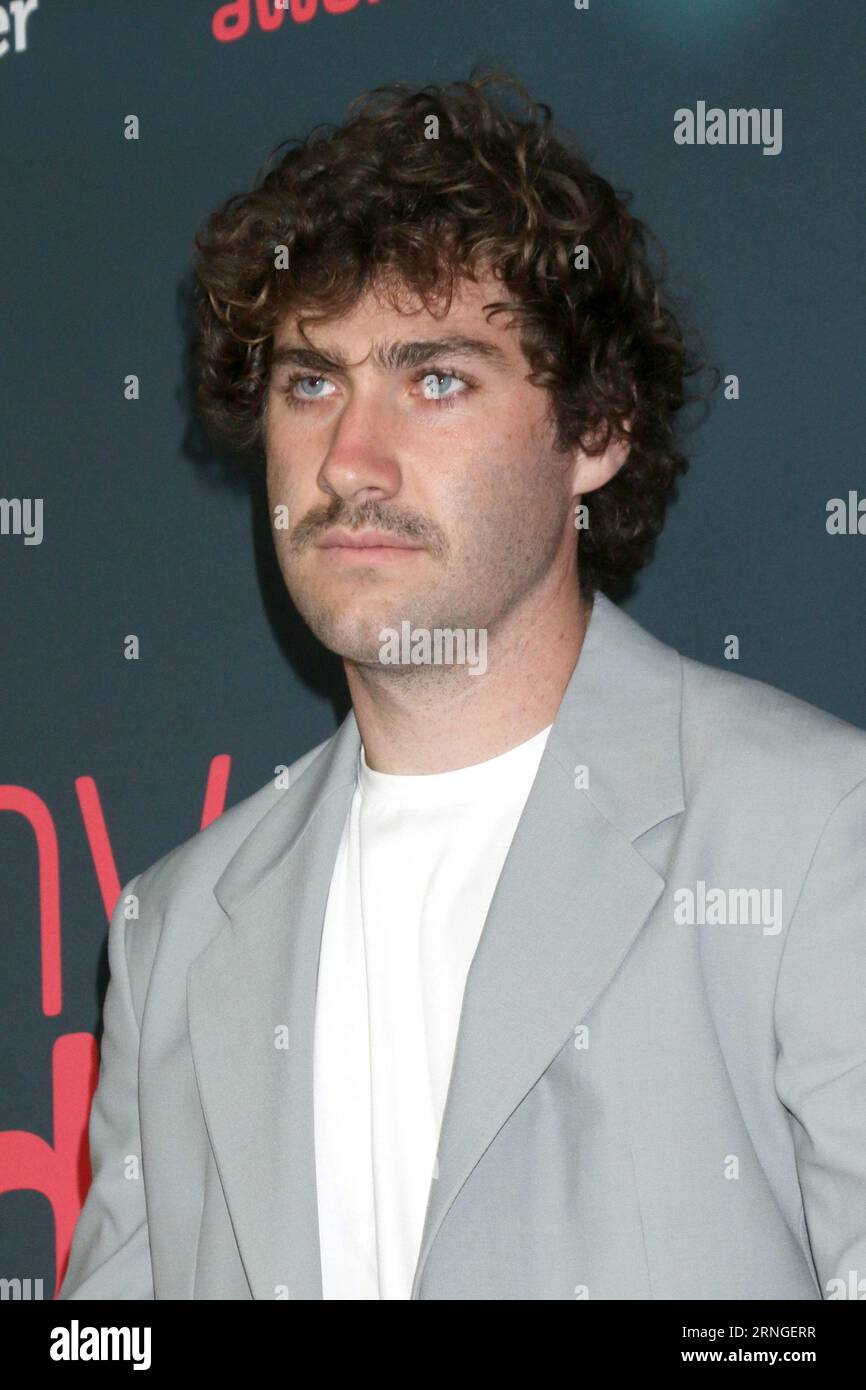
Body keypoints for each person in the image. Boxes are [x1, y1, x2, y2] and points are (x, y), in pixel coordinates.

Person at [60, 71, 866, 1301]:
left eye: (435, 379)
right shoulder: (176, 930)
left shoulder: (814, 839)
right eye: (310, 381)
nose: (349, 460)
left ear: (593, 433)